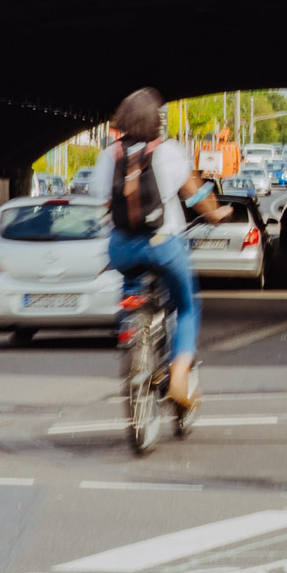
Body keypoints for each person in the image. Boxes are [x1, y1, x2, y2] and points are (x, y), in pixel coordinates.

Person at [90, 88, 223, 409]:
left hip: (122, 248)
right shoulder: (169, 152)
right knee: (186, 307)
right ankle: (178, 377)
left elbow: (102, 204)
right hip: (164, 245)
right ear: (156, 122)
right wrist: (214, 213)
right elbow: (195, 197)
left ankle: (130, 331)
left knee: (132, 286)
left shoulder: (109, 157)